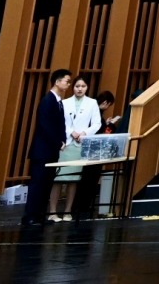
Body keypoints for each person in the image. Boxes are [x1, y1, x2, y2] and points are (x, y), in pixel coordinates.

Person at [19, 69, 72, 227]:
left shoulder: (58, 101)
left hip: (51, 149)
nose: (68, 84)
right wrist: (58, 141)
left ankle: (40, 215)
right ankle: (30, 216)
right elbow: (45, 125)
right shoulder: (47, 100)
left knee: (47, 183)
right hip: (42, 150)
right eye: (66, 81)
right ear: (57, 81)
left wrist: (62, 139)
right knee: (38, 183)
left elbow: (60, 124)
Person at [51, 76, 101, 221]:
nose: (80, 89)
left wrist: (84, 133)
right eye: (77, 86)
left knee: (74, 180)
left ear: (87, 88)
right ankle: (53, 212)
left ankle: (67, 211)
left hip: (80, 144)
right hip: (65, 143)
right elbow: (60, 121)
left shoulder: (92, 103)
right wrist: (71, 132)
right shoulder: (65, 102)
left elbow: (97, 123)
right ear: (73, 87)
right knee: (58, 178)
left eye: (83, 86)